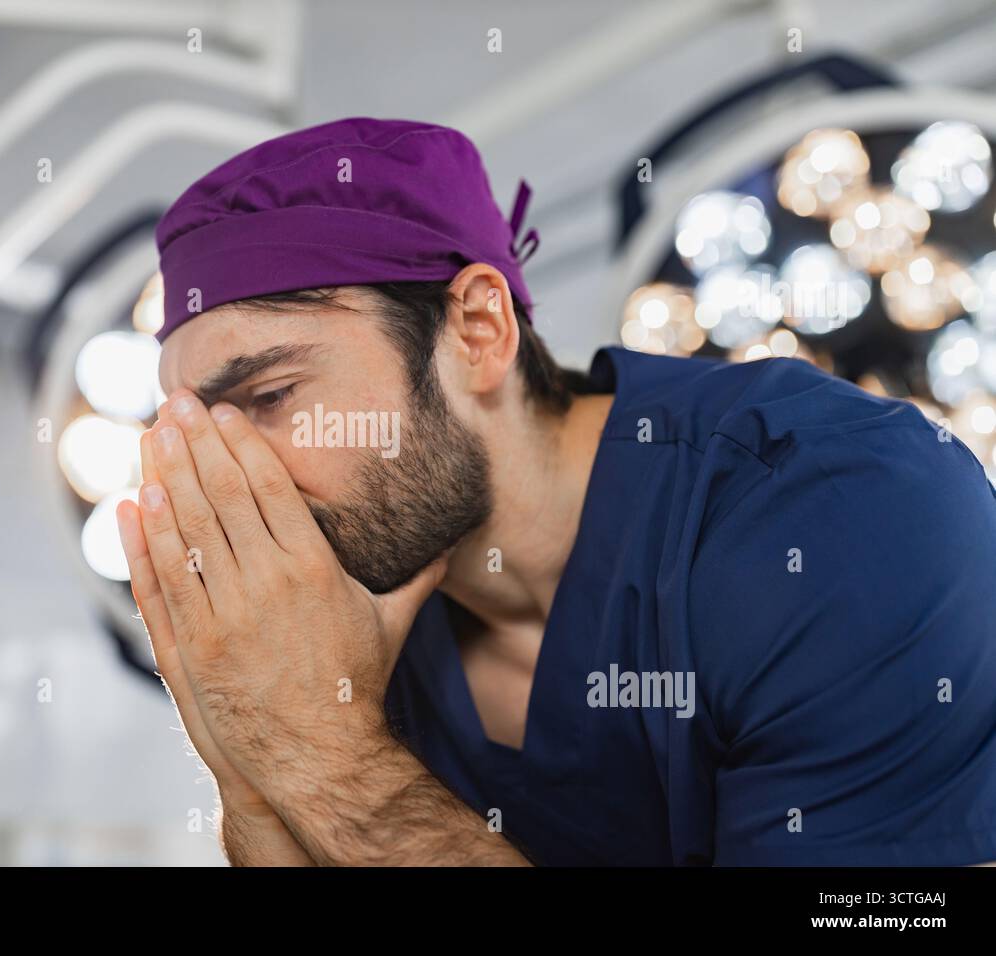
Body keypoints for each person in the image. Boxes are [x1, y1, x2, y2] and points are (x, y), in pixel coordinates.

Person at [114, 117, 996, 866]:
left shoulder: (844, 512)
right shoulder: (337, 639)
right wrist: (249, 768)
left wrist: (322, 754)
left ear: (477, 328)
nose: (230, 479)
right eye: (190, 431)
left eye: (269, 399)